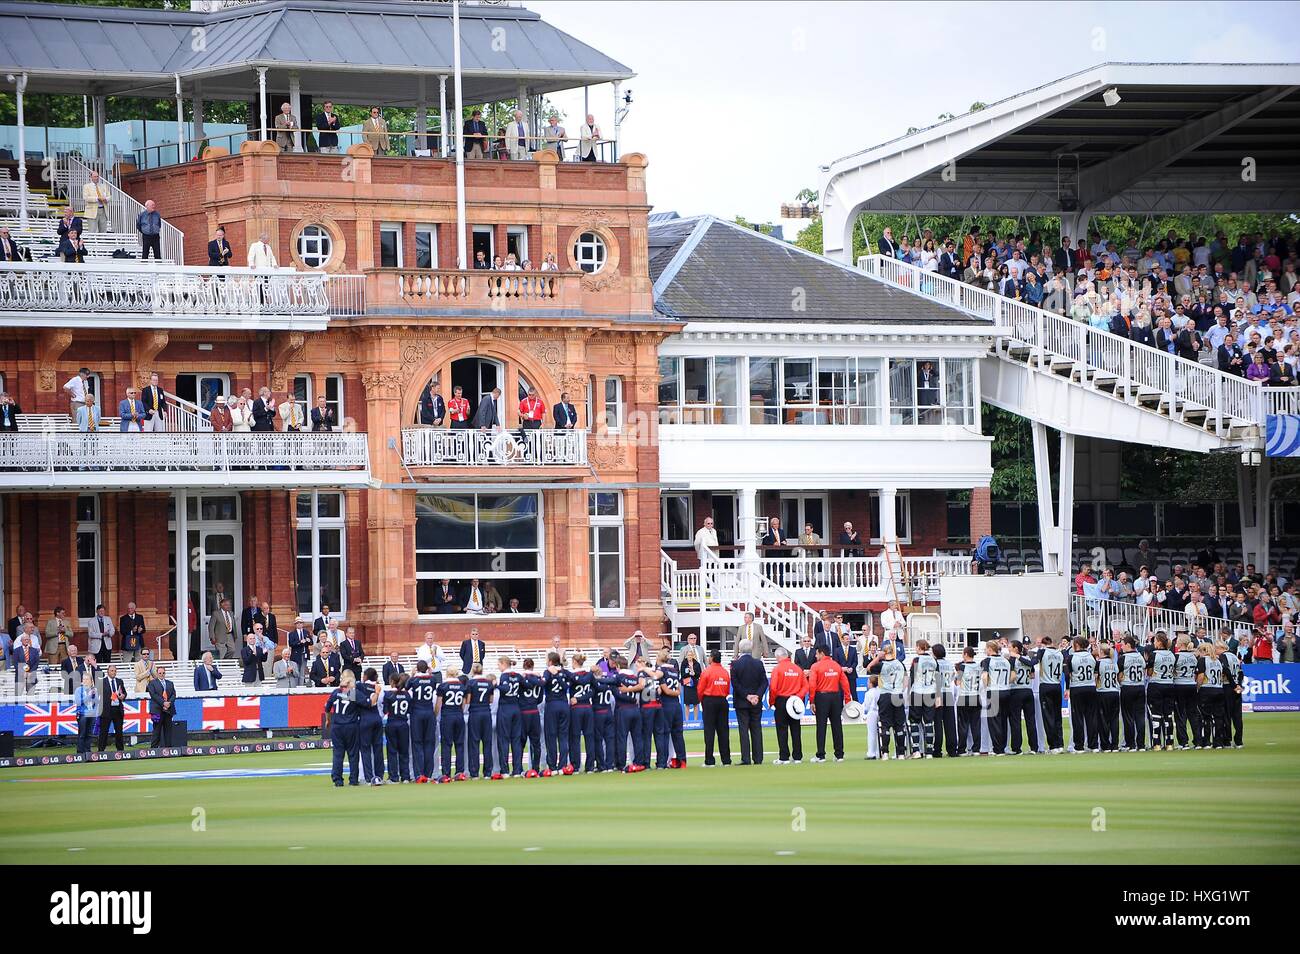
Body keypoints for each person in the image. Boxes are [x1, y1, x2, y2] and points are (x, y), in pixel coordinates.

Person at [808, 645, 851, 762]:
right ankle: (839, 754)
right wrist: (847, 699)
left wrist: (812, 700)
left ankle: (820, 755)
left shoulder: (815, 666)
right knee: (837, 726)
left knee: (821, 726)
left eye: (817, 654)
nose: (816, 656)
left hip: (821, 697)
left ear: (822, 653)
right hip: (836, 697)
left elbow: (812, 685)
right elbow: (845, 683)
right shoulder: (836, 666)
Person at [767, 648, 808, 764]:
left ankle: (784, 757)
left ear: (778, 657)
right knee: (796, 729)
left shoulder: (777, 669)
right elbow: (805, 686)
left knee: (782, 729)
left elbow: (773, 688)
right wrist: (798, 697)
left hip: (781, 700)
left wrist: (772, 702)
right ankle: (797, 756)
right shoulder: (798, 669)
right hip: (795, 701)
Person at [730, 640, 767, 765]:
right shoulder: (758, 663)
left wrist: (747, 696)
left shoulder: (735, 665)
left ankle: (745, 758)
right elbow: (764, 682)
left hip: (742, 702)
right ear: (751, 649)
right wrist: (757, 695)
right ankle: (758, 758)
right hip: (756, 702)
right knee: (756, 729)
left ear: (740, 649)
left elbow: (735, 684)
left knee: (743, 730)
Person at [325, 670, 364, 786]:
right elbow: (364, 705)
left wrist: (328, 720)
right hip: (350, 725)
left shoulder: (335, 692)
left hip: (337, 726)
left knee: (338, 754)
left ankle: (337, 780)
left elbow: (327, 708)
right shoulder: (352, 693)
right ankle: (353, 779)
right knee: (353, 754)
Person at [406, 660, 441, 781]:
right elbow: (432, 680)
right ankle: (428, 773)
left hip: (417, 712)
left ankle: (419, 773)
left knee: (417, 743)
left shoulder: (414, 680)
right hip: (428, 712)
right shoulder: (432, 679)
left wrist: (412, 675)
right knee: (429, 743)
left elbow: (406, 688)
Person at [1065, 636, 1100, 753]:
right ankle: (1093, 745)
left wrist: (1067, 688)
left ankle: (1079, 746)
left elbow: (1067, 675)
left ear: (1077, 645)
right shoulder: (1091, 657)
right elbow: (1096, 673)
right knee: (1092, 718)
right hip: (1090, 687)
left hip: (1077, 688)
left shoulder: (1071, 657)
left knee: (1078, 718)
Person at [613, 654, 647, 771]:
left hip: (623, 709)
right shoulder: (634, 677)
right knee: (637, 737)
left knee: (622, 737)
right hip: (635, 709)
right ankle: (639, 762)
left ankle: (621, 764)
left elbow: (616, 692)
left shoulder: (618, 677)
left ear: (618, 666)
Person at [1006, 639, 1041, 755]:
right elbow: (1032, 676)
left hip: (1015, 691)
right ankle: (1034, 747)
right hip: (1028, 690)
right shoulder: (1027, 659)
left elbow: (1011, 676)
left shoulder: (1011, 659)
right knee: (1030, 720)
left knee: (1015, 721)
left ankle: (1017, 748)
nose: (1008, 648)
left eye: (1010, 647)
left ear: (1016, 648)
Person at [697, 649, 730, 767]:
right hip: (722, 701)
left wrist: (703, 701)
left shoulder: (707, 671)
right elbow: (727, 690)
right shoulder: (725, 672)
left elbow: (700, 689)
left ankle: (709, 760)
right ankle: (726, 760)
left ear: (711, 658)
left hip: (709, 701)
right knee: (724, 731)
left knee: (709, 731)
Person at [435, 663, 468, 780]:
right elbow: (463, 705)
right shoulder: (462, 686)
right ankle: (459, 771)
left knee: (446, 745)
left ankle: (446, 773)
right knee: (459, 744)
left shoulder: (443, 686)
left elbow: (439, 704)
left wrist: (435, 715)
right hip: (458, 715)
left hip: (447, 715)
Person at [906, 639, 938, 758]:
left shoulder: (916, 660)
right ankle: (929, 751)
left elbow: (912, 677)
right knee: (929, 722)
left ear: (919, 647)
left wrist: (908, 692)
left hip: (918, 692)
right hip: (930, 692)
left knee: (914, 721)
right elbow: (938, 678)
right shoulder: (934, 660)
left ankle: (917, 750)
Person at [465, 663, 497, 778]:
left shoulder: (471, 683)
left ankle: (474, 773)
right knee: (487, 743)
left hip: (475, 713)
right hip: (486, 712)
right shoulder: (488, 683)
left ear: (473, 671)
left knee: (474, 743)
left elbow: (468, 701)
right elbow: (491, 700)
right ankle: (487, 772)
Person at [356, 667, 386, 785]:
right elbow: (382, 705)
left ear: (365, 676)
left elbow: (352, 699)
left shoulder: (359, 686)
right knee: (378, 749)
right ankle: (379, 775)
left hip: (364, 719)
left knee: (365, 749)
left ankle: (369, 777)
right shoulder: (380, 689)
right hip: (377, 719)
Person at [1035, 636, 1065, 753]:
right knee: (1057, 716)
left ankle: (1053, 746)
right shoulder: (1060, 654)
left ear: (1043, 644)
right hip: (1057, 686)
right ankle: (1060, 744)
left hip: (1046, 685)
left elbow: (1033, 662)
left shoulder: (1042, 652)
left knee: (1048, 717)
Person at [1172, 635, 1201, 749]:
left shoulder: (1177, 656)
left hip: (1179, 685)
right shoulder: (1194, 656)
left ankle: (1183, 742)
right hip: (1191, 685)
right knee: (1193, 714)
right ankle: (1198, 741)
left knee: (1180, 715)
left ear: (1180, 643)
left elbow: (1172, 671)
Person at [382, 672, 412, 783]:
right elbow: (409, 710)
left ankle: (394, 777)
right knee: (404, 751)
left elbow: (385, 711)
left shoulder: (389, 695)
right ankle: (405, 777)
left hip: (392, 723)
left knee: (392, 751)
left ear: (391, 682)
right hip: (403, 724)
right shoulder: (407, 695)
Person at [1195, 643, 1225, 749]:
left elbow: (1201, 676)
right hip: (1219, 689)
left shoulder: (1203, 660)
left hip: (1206, 690)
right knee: (1218, 717)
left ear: (1203, 651)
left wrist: (1197, 688)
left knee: (1205, 717)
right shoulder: (1218, 661)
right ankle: (1218, 742)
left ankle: (1206, 742)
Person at [519, 658, 545, 773]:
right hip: (534, 712)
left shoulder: (522, 678)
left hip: (523, 713)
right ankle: (536, 769)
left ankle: (518, 769)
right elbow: (540, 699)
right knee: (536, 743)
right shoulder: (538, 680)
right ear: (533, 667)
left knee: (520, 743)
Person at [1095, 642, 1121, 752]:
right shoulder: (1113, 663)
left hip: (1103, 693)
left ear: (1101, 652)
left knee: (1103, 720)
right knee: (1114, 720)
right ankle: (1115, 745)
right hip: (1114, 692)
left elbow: (1096, 678)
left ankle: (1105, 745)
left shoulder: (1098, 663)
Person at [98, 664, 127, 752]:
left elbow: (124, 693)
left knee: (119, 731)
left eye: (115, 671)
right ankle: (101, 750)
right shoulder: (102, 682)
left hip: (117, 709)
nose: (114, 672)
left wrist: (123, 696)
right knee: (104, 731)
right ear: (108, 672)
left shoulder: (119, 681)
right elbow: (98, 695)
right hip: (106, 709)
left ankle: (120, 750)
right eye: (112, 671)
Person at [146, 665, 176, 748]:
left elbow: (173, 694)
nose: (162, 674)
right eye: (160, 673)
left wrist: (168, 703)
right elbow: (153, 695)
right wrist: (163, 703)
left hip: (168, 710)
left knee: (168, 731)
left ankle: (168, 749)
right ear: (157, 673)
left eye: (163, 673)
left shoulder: (170, 683)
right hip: (157, 711)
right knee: (157, 730)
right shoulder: (152, 683)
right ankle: (154, 749)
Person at [74, 674, 100, 755]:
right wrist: (88, 696)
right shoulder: (78, 690)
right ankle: (80, 752)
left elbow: (96, 702)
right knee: (82, 733)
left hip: (91, 714)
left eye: (87, 679)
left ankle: (87, 751)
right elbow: (78, 702)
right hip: (82, 714)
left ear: (91, 681)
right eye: (84, 679)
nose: (85, 681)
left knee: (89, 734)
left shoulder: (93, 690)